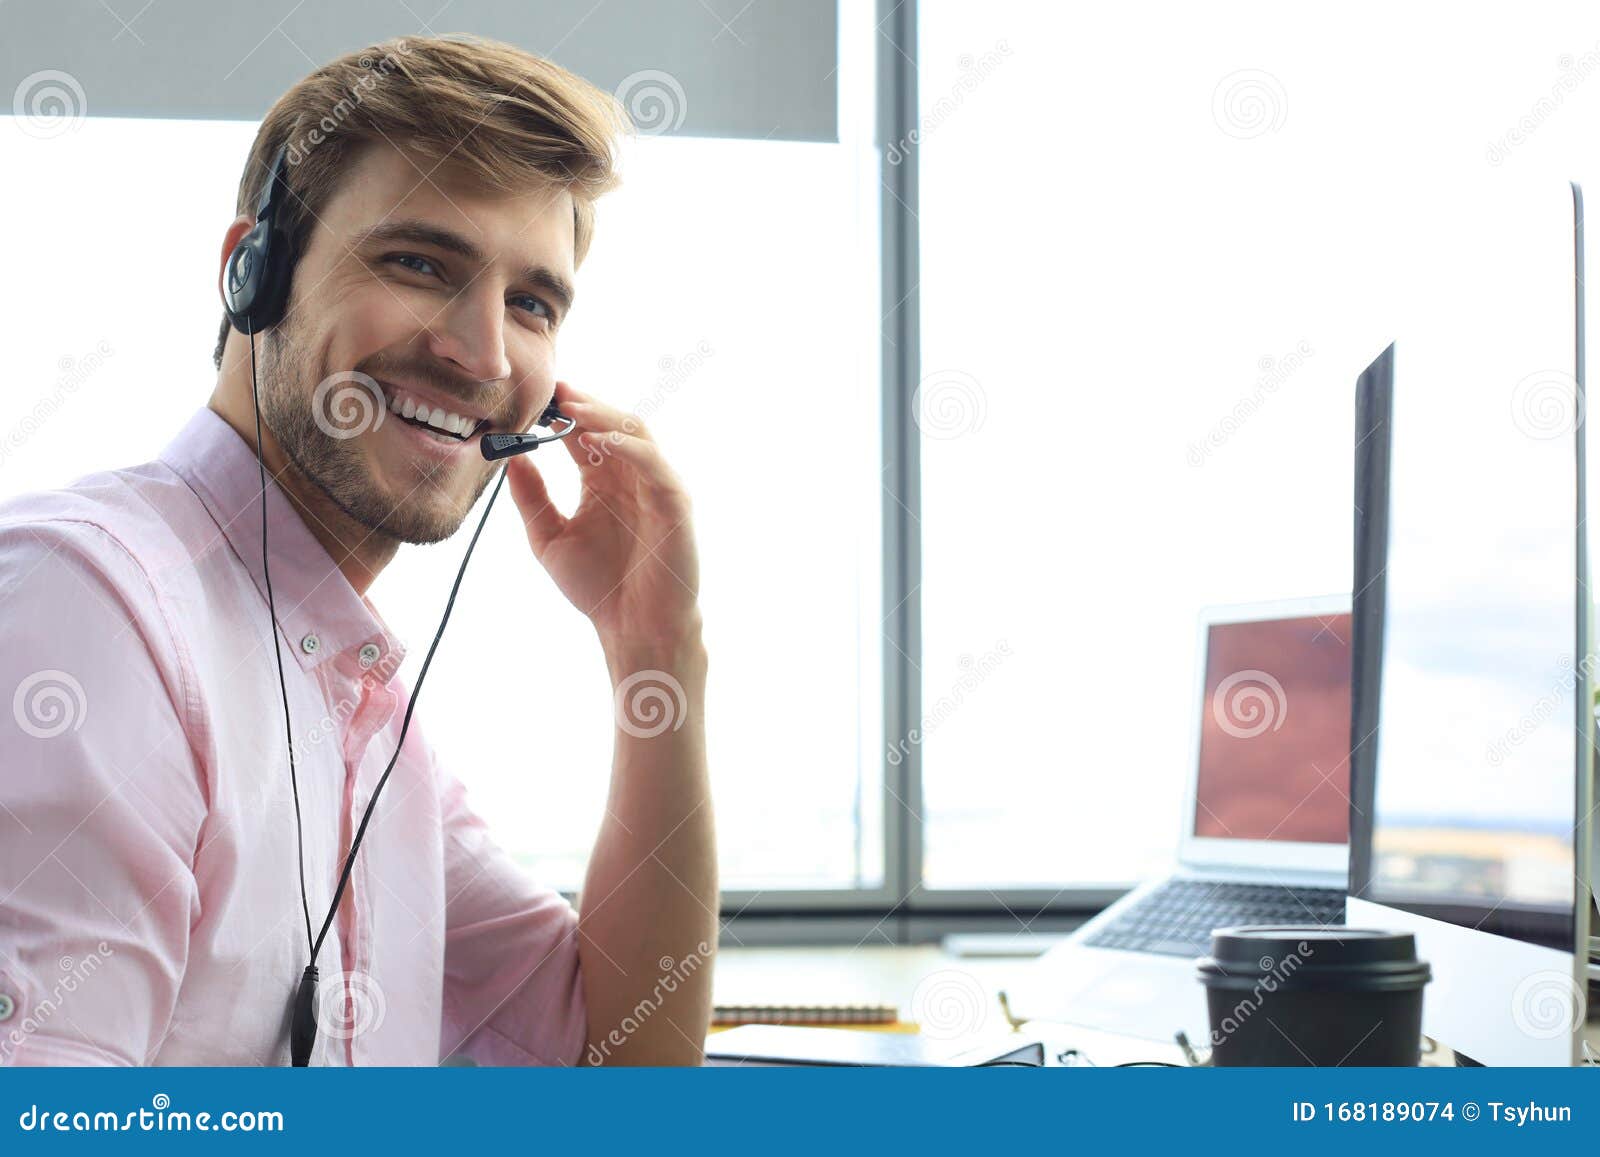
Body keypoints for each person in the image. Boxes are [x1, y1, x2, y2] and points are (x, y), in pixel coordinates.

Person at [0, 34, 714, 1066]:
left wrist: (655, 643)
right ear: (255, 272)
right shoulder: (93, 605)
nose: (481, 352)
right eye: (420, 262)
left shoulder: (360, 712)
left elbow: (616, 1067)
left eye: (531, 303)